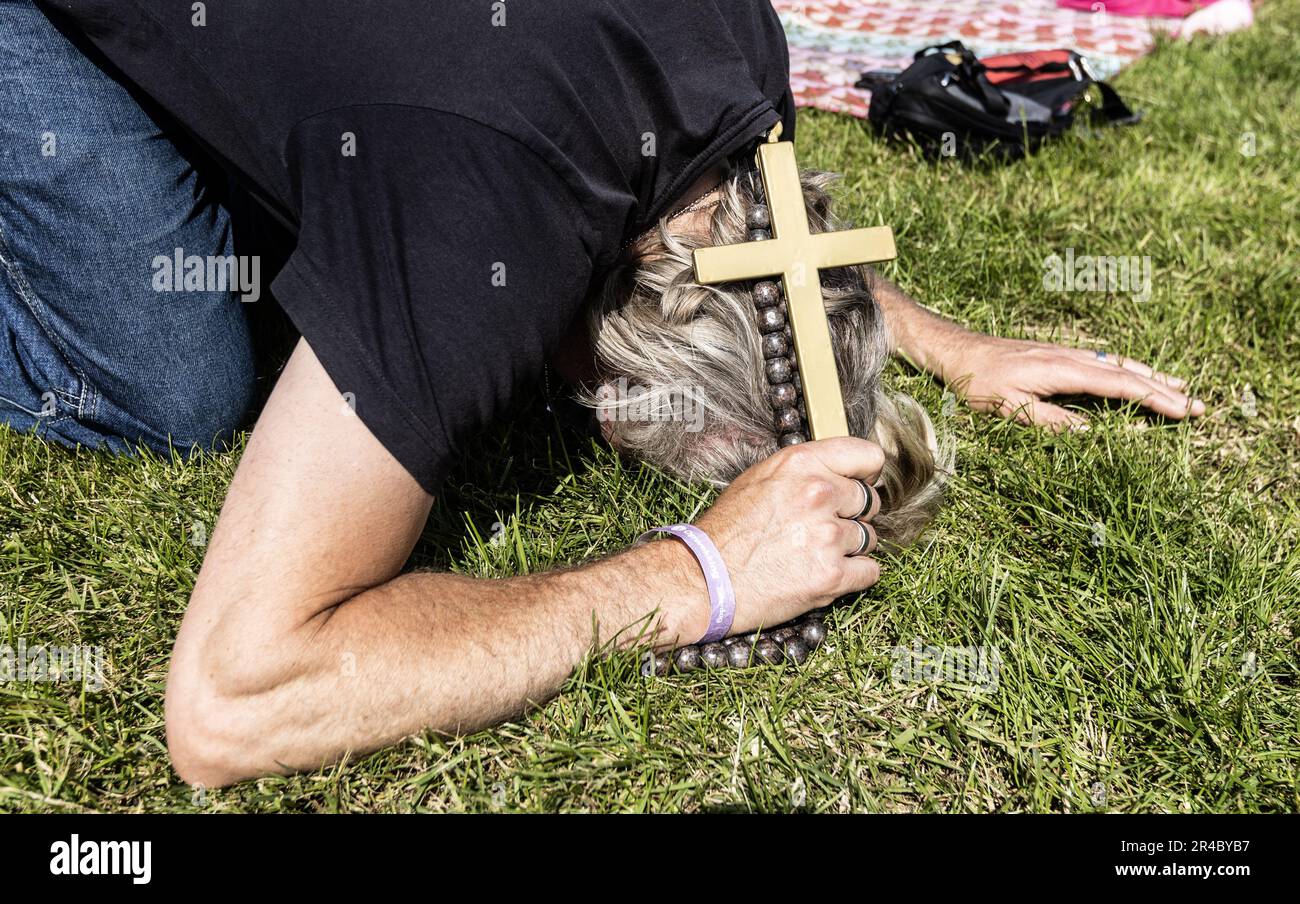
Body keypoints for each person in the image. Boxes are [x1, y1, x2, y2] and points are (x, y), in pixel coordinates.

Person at [1, 1, 1205, 787]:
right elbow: (230, 702)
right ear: (600, 368)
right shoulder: (479, 219)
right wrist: (694, 573)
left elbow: (752, 243)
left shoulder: (737, 54)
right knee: (179, 384)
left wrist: (938, 342)